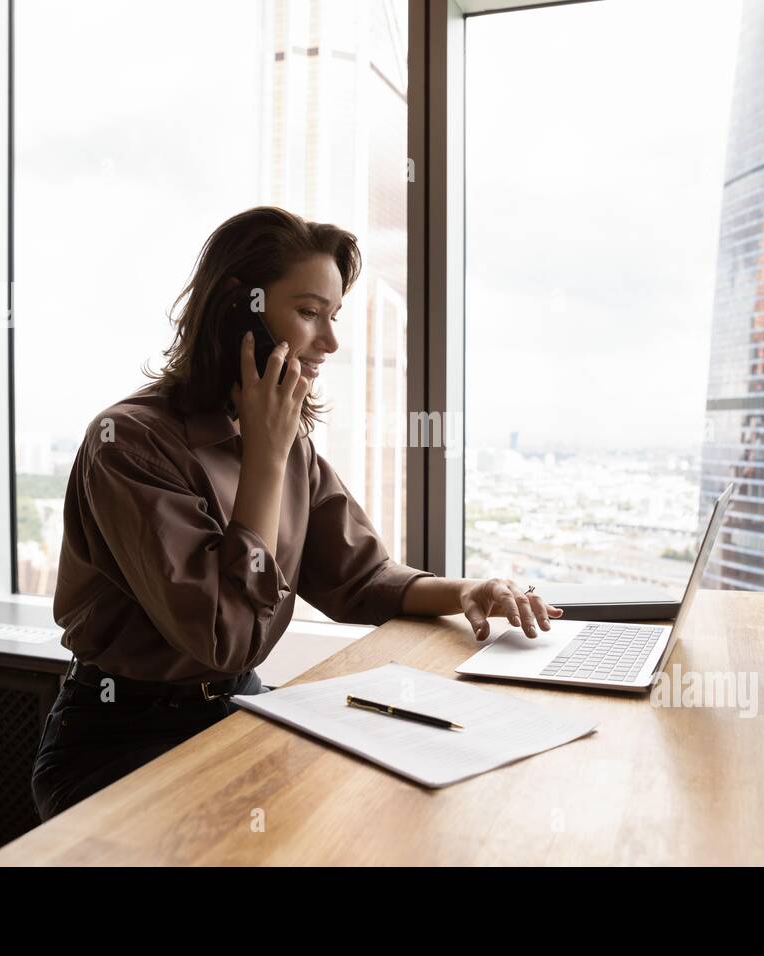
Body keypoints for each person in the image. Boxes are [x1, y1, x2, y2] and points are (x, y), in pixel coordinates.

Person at [31, 205, 563, 822]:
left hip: (238, 707)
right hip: (121, 735)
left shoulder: (284, 441)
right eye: (309, 312)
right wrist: (265, 458)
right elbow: (224, 638)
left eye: (332, 316)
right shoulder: (129, 442)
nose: (330, 342)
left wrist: (469, 588)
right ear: (239, 306)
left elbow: (358, 579)